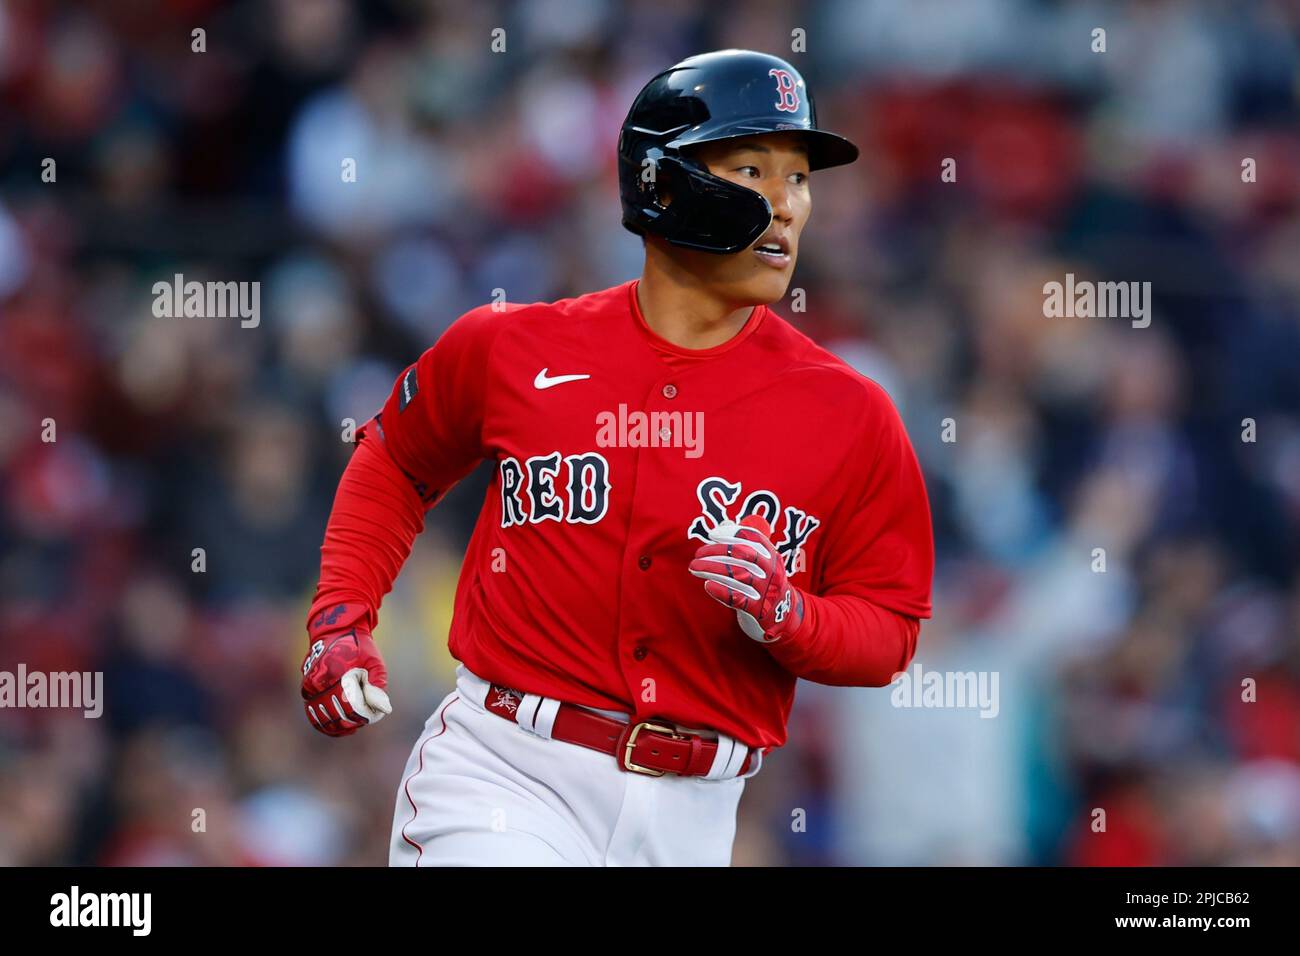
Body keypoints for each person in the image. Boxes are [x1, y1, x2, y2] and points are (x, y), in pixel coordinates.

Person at [299, 49, 934, 867]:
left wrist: (793, 617)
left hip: (699, 817)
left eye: (801, 179)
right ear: (662, 182)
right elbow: (396, 458)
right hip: (506, 775)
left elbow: (891, 629)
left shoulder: (850, 412)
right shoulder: (513, 347)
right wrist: (340, 619)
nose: (787, 206)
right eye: (752, 169)